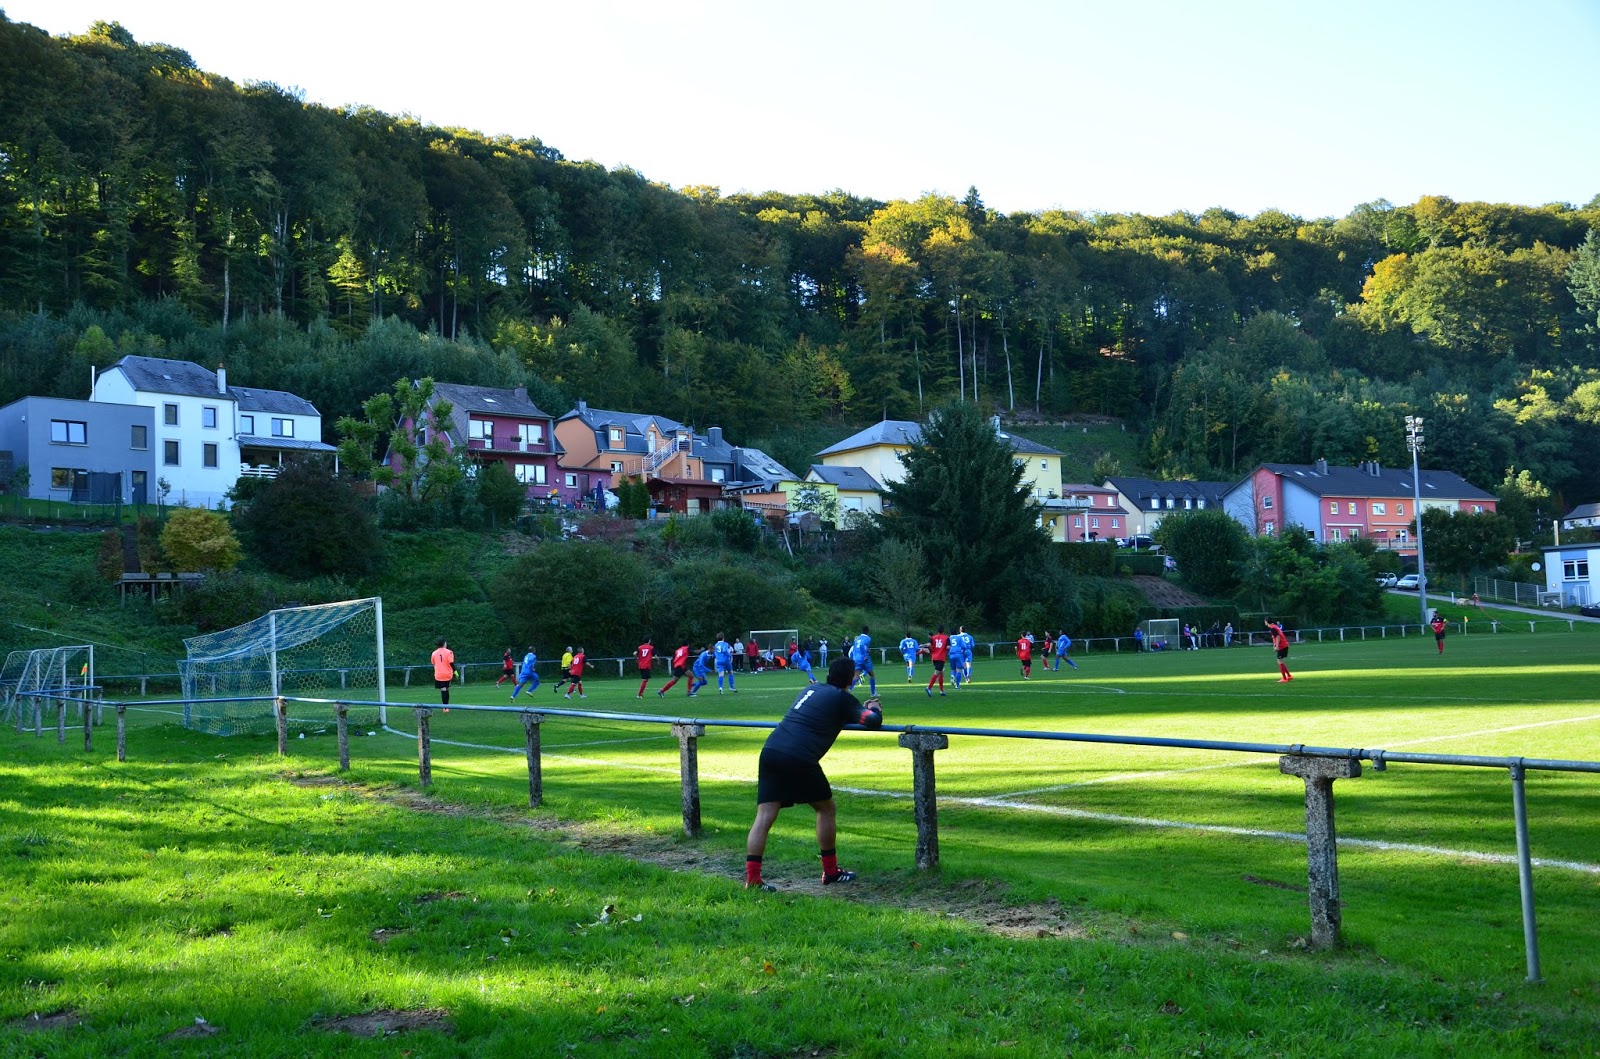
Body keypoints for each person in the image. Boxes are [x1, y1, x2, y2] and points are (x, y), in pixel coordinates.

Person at [744, 657, 883, 891]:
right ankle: (830, 871)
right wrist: (873, 708)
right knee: (826, 809)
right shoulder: (842, 698)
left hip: (770, 750)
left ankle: (753, 880)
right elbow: (872, 721)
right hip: (798, 756)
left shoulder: (811, 688)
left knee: (765, 815)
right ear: (851, 679)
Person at [925, 625, 951, 697]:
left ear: (937, 631)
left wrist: (931, 650)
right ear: (943, 631)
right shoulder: (946, 638)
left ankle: (942, 691)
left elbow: (929, 645)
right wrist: (948, 648)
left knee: (941, 673)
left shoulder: (933, 637)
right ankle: (929, 687)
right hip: (941, 658)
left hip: (934, 658)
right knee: (937, 673)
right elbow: (948, 647)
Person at [849, 626, 876, 695]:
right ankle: (873, 693)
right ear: (868, 631)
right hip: (863, 659)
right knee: (872, 675)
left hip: (856, 659)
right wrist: (865, 655)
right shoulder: (867, 638)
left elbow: (854, 648)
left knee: (856, 676)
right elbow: (862, 646)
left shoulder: (857, 638)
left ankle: (849, 690)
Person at [431, 638, 455, 708]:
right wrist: (455, 672)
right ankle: (446, 706)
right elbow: (451, 663)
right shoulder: (449, 652)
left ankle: (445, 708)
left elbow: (433, 664)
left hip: (439, 674)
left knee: (443, 689)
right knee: (447, 689)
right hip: (448, 674)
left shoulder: (434, 653)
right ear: (444, 643)